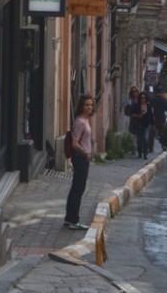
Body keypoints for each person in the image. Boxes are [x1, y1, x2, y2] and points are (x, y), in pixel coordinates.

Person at [64, 94, 94, 230]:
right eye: (86, 105)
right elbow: (75, 143)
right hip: (80, 158)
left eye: (91, 105)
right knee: (78, 189)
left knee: (76, 188)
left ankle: (69, 218)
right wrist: (85, 153)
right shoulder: (80, 122)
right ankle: (73, 220)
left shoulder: (85, 120)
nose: (89, 107)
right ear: (81, 106)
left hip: (83, 157)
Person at [150, 85, 167, 151]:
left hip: (154, 118)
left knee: (152, 134)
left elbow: (150, 108)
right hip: (162, 118)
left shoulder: (153, 99)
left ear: (155, 92)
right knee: (162, 133)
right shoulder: (164, 100)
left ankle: (151, 147)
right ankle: (163, 146)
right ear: (161, 92)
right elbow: (166, 108)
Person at [134, 91, 153, 159]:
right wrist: (138, 115)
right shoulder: (136, 105)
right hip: (139, 124)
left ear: (146, 98)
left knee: (146, 139)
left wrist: (152, 123)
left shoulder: (148, 106)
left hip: (146, 125)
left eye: (144, 98)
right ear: (140, 98)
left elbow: (151, 115)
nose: (143, 99)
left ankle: (145, 154)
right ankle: (139, 153)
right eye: (142, 98)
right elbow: (132, 113)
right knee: (139, 140)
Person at [124, 85, 141, 155]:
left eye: (135, 91)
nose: (134, 92)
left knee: (140, 134)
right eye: (133, 91)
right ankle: (134, 146)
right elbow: (127, 110)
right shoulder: (130, 100)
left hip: (141, 119)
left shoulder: (141, 99)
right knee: (134, 134)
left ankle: (138, 147)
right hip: (133, 119)